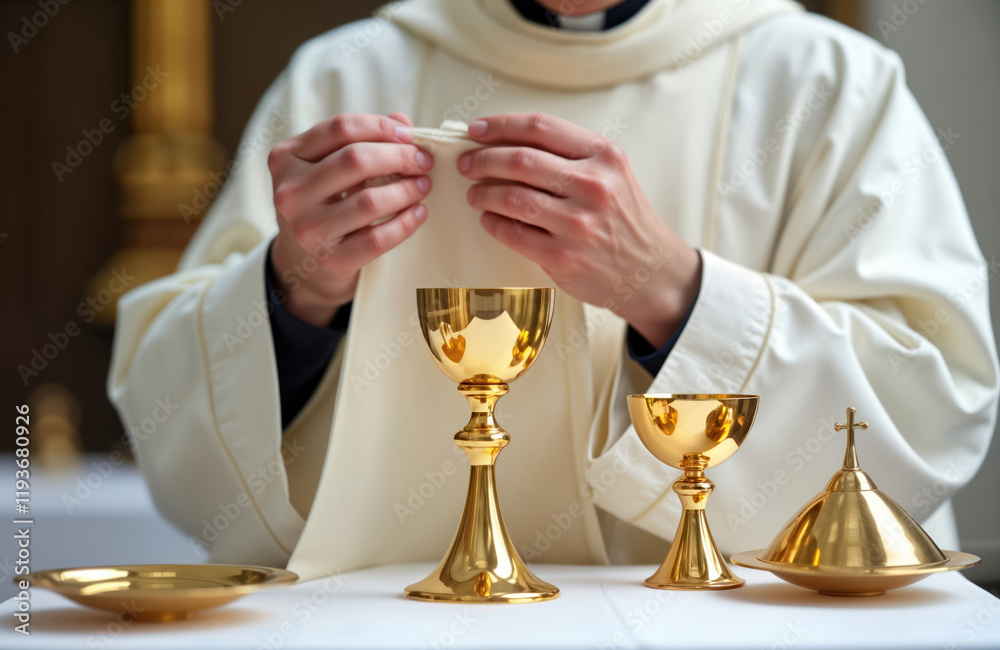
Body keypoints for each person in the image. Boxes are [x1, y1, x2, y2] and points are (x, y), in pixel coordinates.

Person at [108, 0, 998, 581]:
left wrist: (668, 289)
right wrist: (295, 293)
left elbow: (929, 405)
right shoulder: (344, 77)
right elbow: (177, 427)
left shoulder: (828, 85)